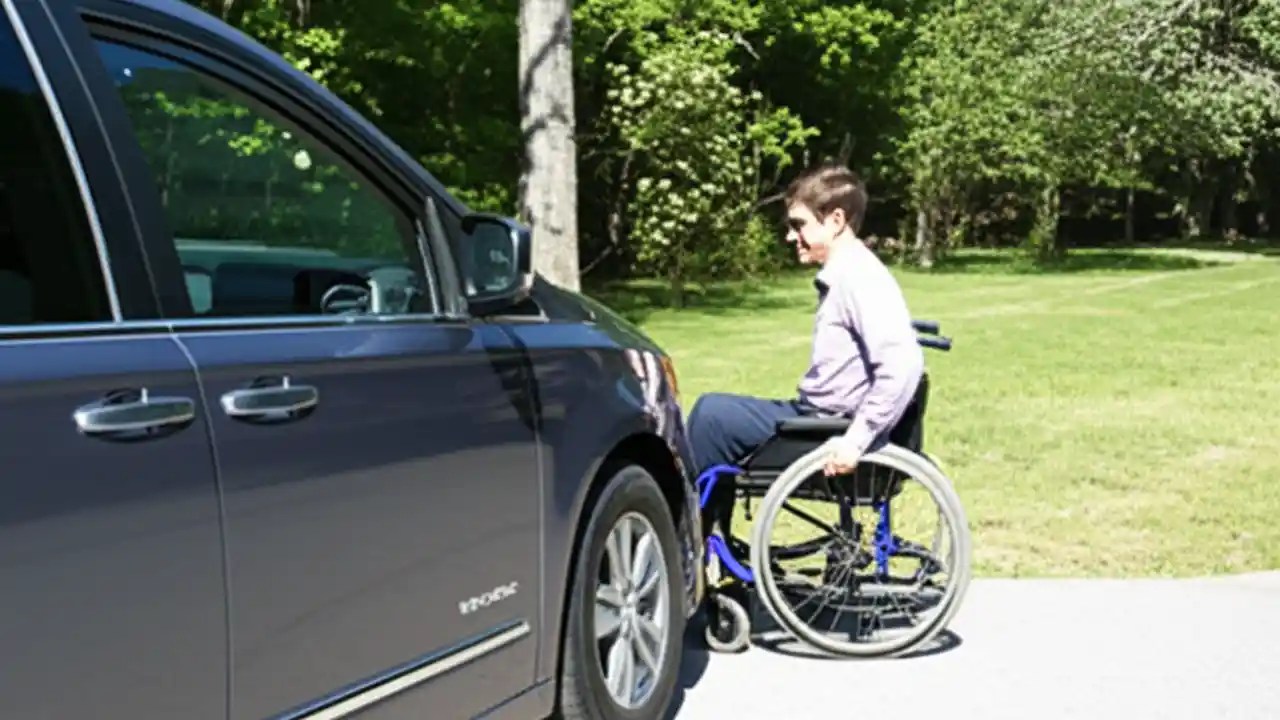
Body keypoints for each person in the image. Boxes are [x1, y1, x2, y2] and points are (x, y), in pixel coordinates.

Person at [686, 162, 924, 478]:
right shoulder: (852, 272)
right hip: (821, 417)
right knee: (715, 412)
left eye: (799, 225)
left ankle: (684, 509)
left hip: (826, 427)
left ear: (836, 221)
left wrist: (856, 441)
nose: (790, 236)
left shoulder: (858, 279)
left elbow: (903, 364)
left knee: (711, 417)